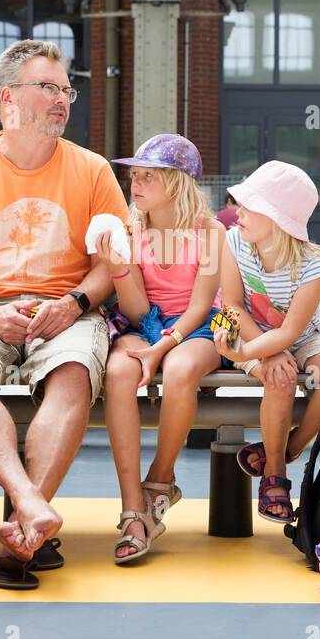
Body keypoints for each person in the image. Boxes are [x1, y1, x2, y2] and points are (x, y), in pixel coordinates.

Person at [0, 38, 129, 590]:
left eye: (66, 89)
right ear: (8, 99)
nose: (62, 99)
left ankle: (19, 530)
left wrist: (76, 302)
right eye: (48, 87)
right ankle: (31, 503)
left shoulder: (93, 170)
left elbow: (115, 264)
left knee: (75, 373)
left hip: (66, 308)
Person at [97, 133, 226, 563]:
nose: (135, 185)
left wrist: (165, 346)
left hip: (197, 327)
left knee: (179, 368)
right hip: (146, 324)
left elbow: (202, 304)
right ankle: (133, 507)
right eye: (134, 176)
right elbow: (135, 313)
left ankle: (160, 480)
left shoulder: (210, 231)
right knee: (117, 372)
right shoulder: (131, 229)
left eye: (147, 177)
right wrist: (118, 268)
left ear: (177, 182)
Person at [212, 161, 320, 524]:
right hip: (241, 332)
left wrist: (264, 351)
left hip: (299, 336)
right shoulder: (232, 242)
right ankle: (275, 474)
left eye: (249, 206)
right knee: (281, 377)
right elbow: (230, 305)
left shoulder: (312, 265)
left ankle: (289, 449)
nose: (237, 211)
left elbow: (293, 331)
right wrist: (255, 351)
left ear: (277, 218)